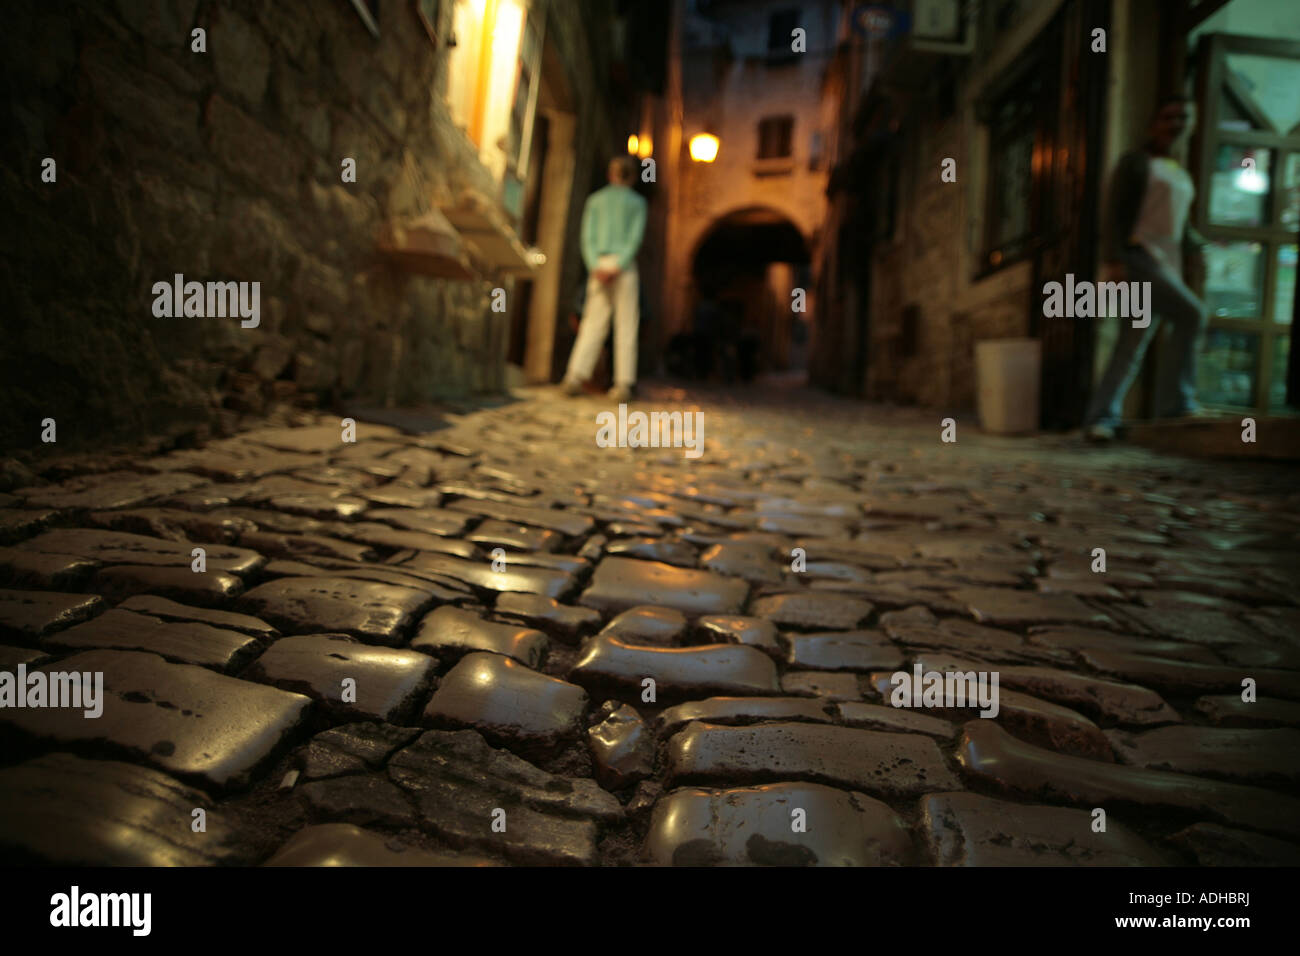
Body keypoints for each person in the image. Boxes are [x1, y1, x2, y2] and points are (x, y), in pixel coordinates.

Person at [1084, 95, 1209, 442]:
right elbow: (1115, 210)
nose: (1176, 124)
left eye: (1183, 117)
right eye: (1168, 117)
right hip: (1139, 257)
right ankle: (1178, 402)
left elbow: (1177, 223)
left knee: (1131, 343)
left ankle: (1101, 419)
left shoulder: (1178, 170)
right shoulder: (1136, 162)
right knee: (1192, 315)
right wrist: (1113, 259)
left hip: (1165, 262)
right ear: (1153, 124)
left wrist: (1197, 246)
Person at [561, 155, 648, 402]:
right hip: (624, 267)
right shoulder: (638, 202)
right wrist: (620, 265)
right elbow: (635, 238)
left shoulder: (595, 200)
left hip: (599, 264)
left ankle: (575, 376)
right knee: (626, 323)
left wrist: (594, 266)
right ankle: (623, 384)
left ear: (611, 174)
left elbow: (586, 237)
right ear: (631, 177)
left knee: (592, 321)